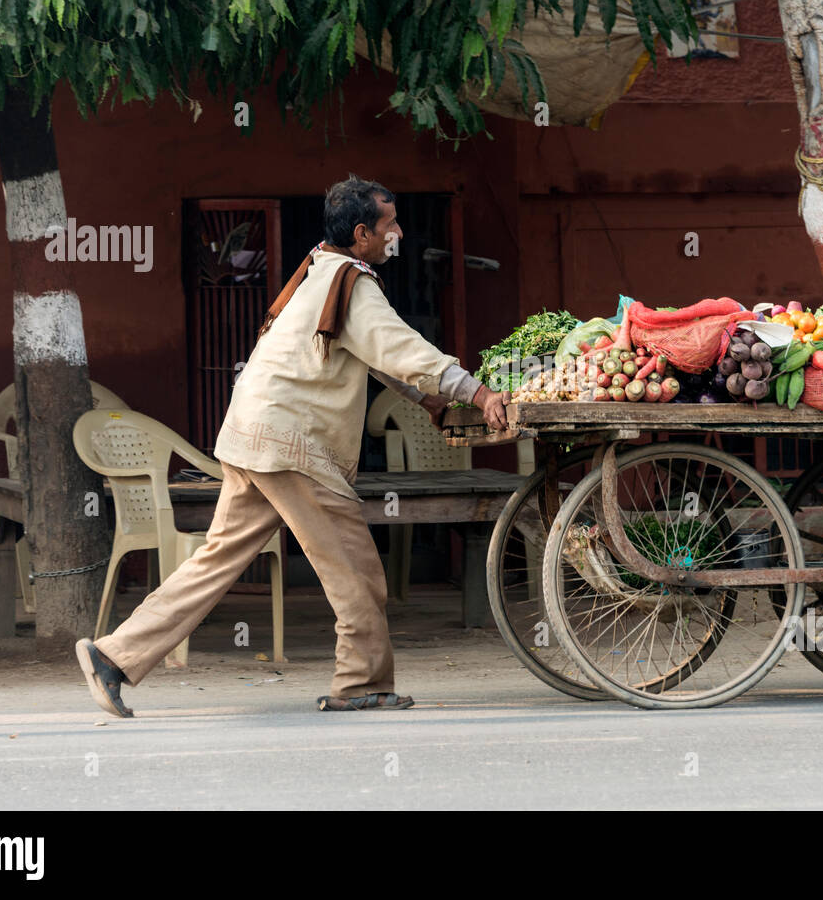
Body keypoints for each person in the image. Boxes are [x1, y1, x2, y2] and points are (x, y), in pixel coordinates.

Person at [77, 175, 509, 716]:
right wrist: (474, 390)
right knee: (354, 569)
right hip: (292, 448)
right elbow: (399, 348)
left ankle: (114, 656)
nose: (398, 233)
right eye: (390, 225)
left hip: (251, 437)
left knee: (215, 560)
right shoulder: (354, 282)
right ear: (361, 233)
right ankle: (361, 684)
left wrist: (435, 404)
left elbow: (376, 356)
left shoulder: (319, 270)